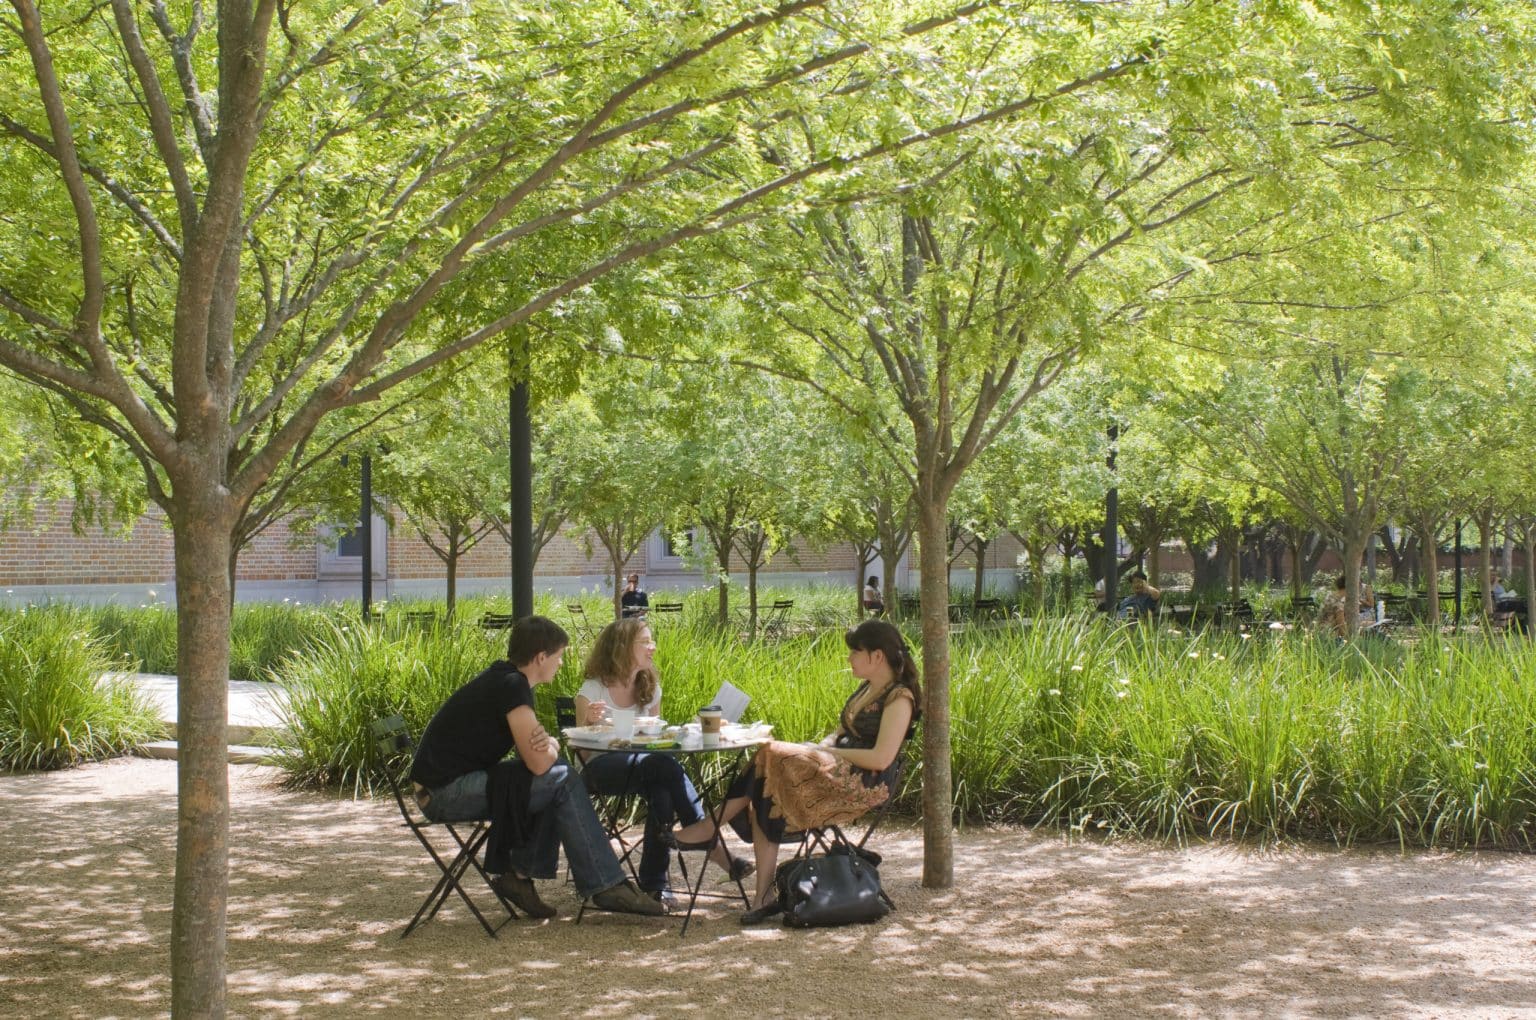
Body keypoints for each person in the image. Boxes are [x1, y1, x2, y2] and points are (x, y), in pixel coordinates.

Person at [410, 615, 662, 919]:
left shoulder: (505, 680)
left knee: (554, 780)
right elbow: (540, 760)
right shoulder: (512, 685)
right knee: (561, 780)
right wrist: (549, 747)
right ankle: (603, 884)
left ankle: (521, 875)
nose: (560, 665)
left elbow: (542, 752)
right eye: (558, 657)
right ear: (541, 657)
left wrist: (550, 745)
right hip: (443, 793)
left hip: (442, 785)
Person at [716, 619, 920, 925]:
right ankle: (761, 896)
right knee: (767, 772)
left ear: (877, 656)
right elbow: (836, 735)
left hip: (861, 784)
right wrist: (814, 748)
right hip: (836, 771)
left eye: (854, 652)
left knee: (769, 754)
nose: (849, 658)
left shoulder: (899, 698)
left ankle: (710, 826)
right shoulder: (867, 690)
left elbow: (880, 758)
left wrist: (829, 753)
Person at [576, 619, 751, 908]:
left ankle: (655, 888)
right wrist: (589, 722)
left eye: (651, 640)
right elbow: (580, 749)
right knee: (663, 767)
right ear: (622, 647)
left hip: (645, 767)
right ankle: (710, 842)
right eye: (644, 642)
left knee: (662, 789)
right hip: (600, 769)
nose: (652, 647)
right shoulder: (593, 689)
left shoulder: (650, 688)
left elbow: (656, 738)